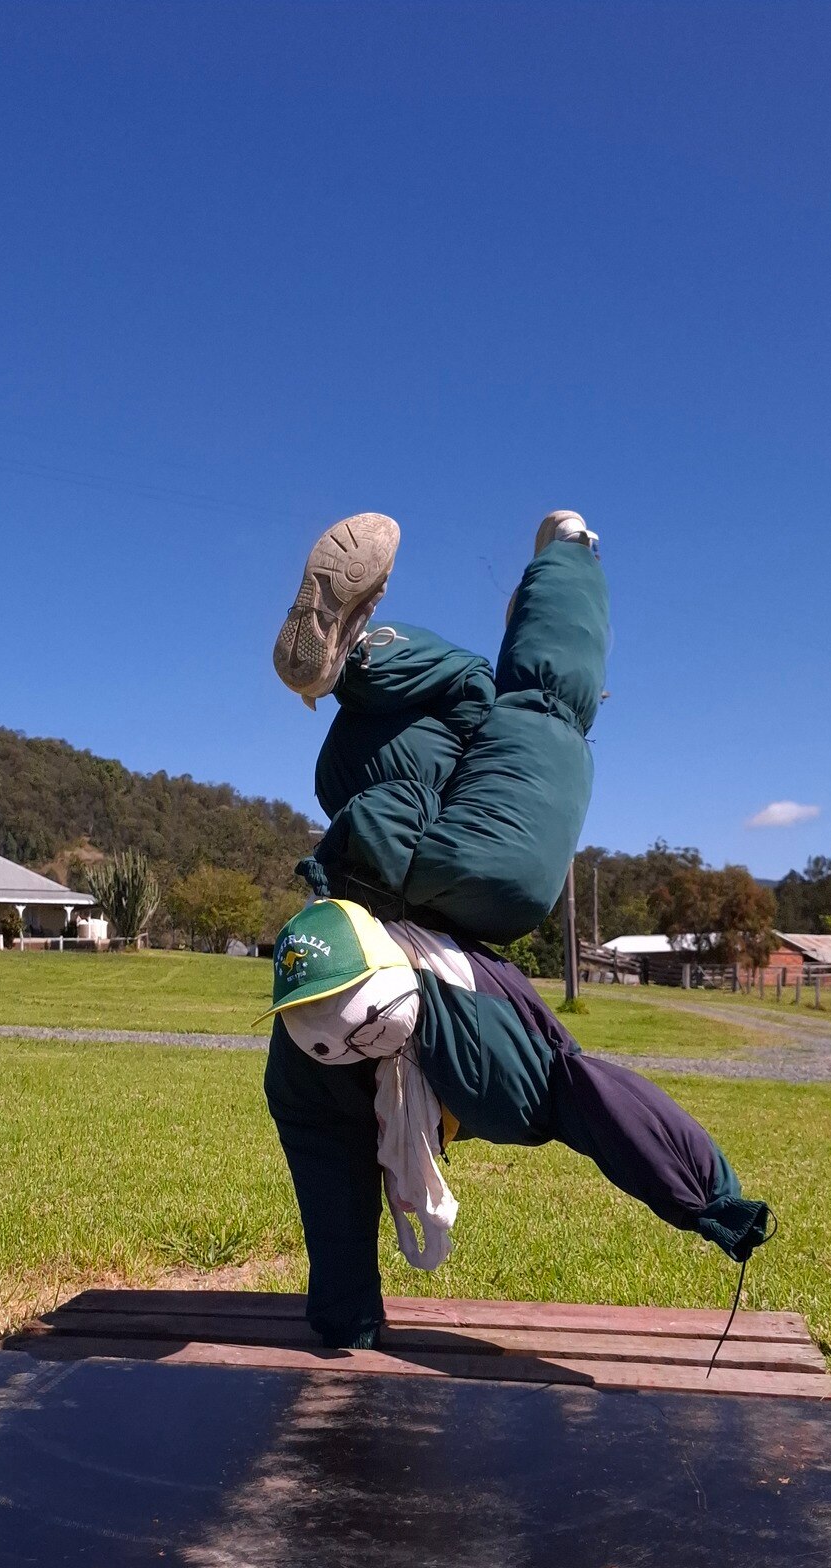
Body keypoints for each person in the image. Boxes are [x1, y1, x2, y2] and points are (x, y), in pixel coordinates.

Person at [263, 512, 771, 1348]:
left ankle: (359, 658)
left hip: (370, 897)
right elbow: (581, 1092)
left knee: (500, 701)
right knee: (521, 696)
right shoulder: (485, 1064)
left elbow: (585, 1099)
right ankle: (366, 655)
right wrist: (709, 1196)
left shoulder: (394, 1059)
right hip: (440, 875)